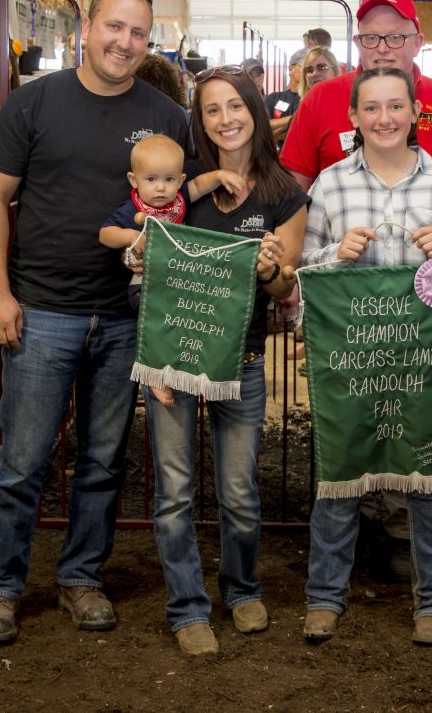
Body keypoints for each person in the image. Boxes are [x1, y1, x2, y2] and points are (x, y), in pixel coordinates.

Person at [0, 0, 190, 646]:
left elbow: (189, 208)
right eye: (114, 27)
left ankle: (80, 577)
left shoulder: (167, 115)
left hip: (126, 316)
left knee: (103, 459)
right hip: (43, 310)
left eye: (138, 33)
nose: (124, 42)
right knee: (23, 457)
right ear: (86, 28)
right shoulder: (33, 104)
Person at [282, 0, 432, 579]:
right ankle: (337, 570)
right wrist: (322, 266)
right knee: (347, 438)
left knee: (417, 443)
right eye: (370, 37)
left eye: (394, 36)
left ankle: (401, 544)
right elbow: (301, 219)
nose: (384, 117)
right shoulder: (331, 165)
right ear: (355, 116)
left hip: (420, 336)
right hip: (349, 333)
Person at [301, 66, 432, 647]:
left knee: (431, 476)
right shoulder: (328, 185)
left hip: (424, 355)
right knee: (342, 475)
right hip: (353, 355)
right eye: (371, 108)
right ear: (353, 117)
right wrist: (337, 253)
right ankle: (324, 598)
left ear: (414, 113)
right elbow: (306, 274)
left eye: (395, 107)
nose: (384, 118)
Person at [139, 64, 307, 656]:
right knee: (175, 491)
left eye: (235, 105)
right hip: (174, 362)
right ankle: (187, 606)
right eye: (212, 109)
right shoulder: (178, 188)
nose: (226, 118)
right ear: (198, 120)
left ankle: (241, 589)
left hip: (244, 361)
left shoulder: (284, 191)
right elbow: (146, 263)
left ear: (255, 111)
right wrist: (154, 363)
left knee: (239, 492)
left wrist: (272, 273)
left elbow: (287, 289)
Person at [97, 132, 245, 403]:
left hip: (181, 280)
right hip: (147, 282)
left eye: (168, 180)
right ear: (134, 180)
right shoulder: (133, 209)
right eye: (151, 180)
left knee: (191, 321)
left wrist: (222, 175)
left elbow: (201, 183)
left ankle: (188, 368)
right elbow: (105, 234)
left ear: (180, 180)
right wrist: (131, 236)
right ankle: (155, 376)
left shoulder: (178, 201)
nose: (161, 188)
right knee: (156, 323)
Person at [281, 0, 432, 193]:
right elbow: (294, 188)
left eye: (395, 38)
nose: (383, 48)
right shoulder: (320, 98)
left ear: (417, 44)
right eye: (371, 38)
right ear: (358, 44)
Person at [264, 49, 305, 144]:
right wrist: (293, 119)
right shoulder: (273, 98)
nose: (310, 72)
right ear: (291, 69)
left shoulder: (311, 100)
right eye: (305, 68)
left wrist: (277, 131)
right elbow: (264, 127)